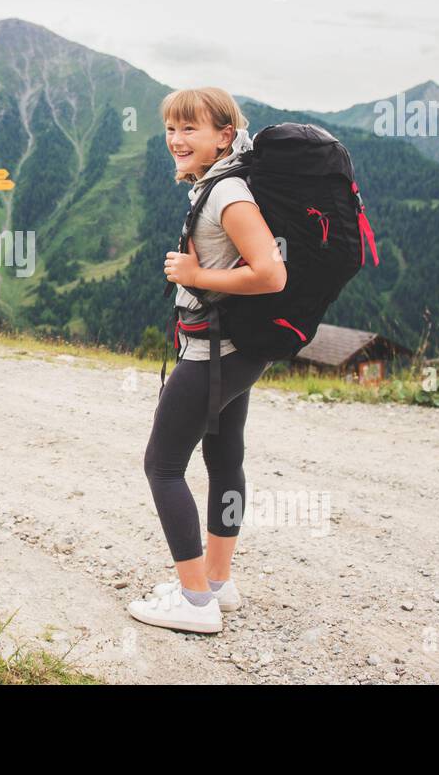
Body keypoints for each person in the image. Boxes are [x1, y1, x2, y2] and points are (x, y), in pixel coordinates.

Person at [127, 87, 286, 634]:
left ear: (224, 136)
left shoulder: (228, 194)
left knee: (162, 465)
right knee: (224, 460)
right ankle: (217, 581)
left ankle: (195, 602)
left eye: (189, 129)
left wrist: (194, 277)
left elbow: (271, 273)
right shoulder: (219, 185)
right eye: (171, 128)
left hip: (213, 353)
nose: (175, 139)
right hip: (235, 352)